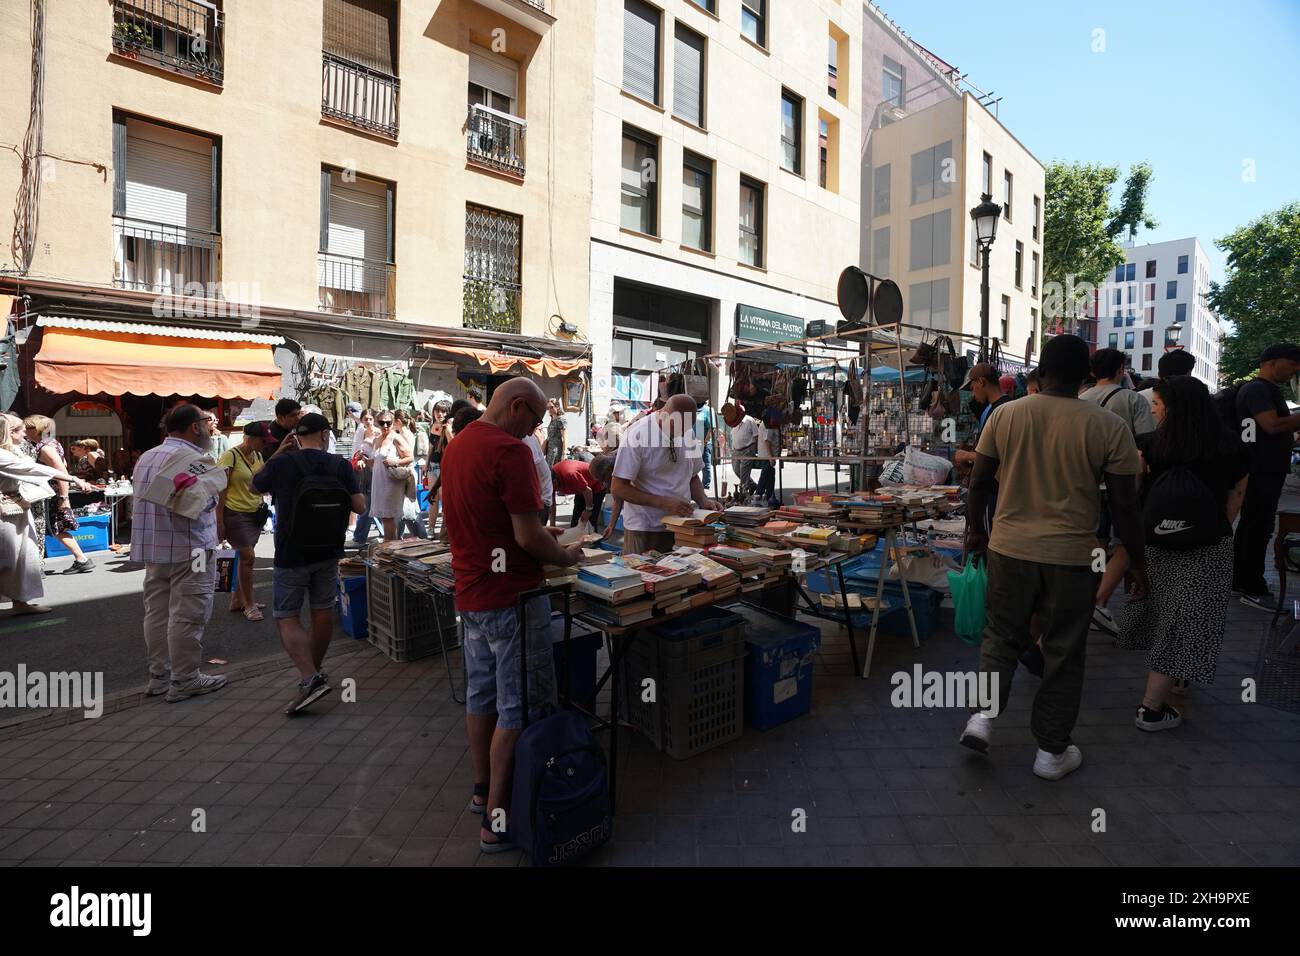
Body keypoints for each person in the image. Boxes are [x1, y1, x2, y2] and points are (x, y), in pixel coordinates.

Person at [960, 334, 1146, 780]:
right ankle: (1050, 753)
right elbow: (1124, 507)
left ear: (1039, 373)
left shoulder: (1005, 415)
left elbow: (980, 482)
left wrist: (975, 533)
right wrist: (1139, 563)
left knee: (1000, 636)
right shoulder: (1108, 427)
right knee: (1063, 650)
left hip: (1009, 548)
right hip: (1073, 557)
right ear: (1085, 376)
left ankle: (982, 719)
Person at [439, 378, 584, 853]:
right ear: (517, 406)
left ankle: (483, 791)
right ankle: (498, 820)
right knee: (516, 706)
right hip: (513, 596)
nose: (535, 432)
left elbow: (470, 521)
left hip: (473, 593)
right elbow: (526, 536)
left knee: (481, 696)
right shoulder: (510, 450)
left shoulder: (457, 445)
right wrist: (566, 556)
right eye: (535, 421)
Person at [1115, 376, 1249, 730]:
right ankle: (1152, 707)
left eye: (1158, 404)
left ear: (1174, 407)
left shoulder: (1152, 444)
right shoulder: (1231, 446)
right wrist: (1219, 527)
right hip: (1208, 545)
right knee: (1189, 616)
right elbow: (1237, 495)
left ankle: (1161, 696)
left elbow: (1135, 491)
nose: (1155, 409)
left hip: (1158, 541)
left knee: (1167, 614)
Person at [253, 413, 365, 714]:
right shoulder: (339, 465)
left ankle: (309, 677)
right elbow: (360, 506)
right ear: (325, 434)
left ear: (296, 437)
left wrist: (278, 453)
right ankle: (312, 673)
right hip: (329, 551)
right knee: (322, 611)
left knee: (287, 615)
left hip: (291, 552)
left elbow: (255, 486)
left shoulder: (282, 463)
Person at [130, 404, 230, 702]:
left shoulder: (148, 456)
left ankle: (159, 676)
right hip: (192, 550)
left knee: (157, 613)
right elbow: (198, 505)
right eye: (207, 422)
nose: (212, 427)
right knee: (189, 613)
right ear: (193, 427)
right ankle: (185, 679)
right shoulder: (193, 458)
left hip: (154, 550)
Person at [1, 416, 93, 615]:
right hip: (6, 513)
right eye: (20, 430)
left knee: (21, 557)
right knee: (9, 558)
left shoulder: (15, 450)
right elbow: (33, 469)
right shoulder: (3, 454)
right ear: (10, 433)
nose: (25, 433)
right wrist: (72, 480)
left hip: (17, 509)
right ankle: (19, 602)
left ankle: (20, 602)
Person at [1232, 343, 1300, 609]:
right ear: (1273, 361)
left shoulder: (1261, 390)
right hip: (1261, 470)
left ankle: (1242, 581)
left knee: (1253, 526)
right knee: (1258, 527)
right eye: (1293, 363)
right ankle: (1253, 587)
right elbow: (1271, 426)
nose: (1296, 369)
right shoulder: (1259, 389)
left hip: (1262, 468)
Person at [612, 394, 720, 555]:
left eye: (686, 428)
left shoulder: (687, 432)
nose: (682, 433)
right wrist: (663, 503)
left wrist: (703, 500)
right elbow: (618, 487)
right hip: (645, 529)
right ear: (663, 413)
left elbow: (692, 475)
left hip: (682, 526)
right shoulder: (637, 434)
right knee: (644, 576)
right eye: (677, 428)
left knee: (678, 577)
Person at [23, 415, 94, 573]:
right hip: (53, 492)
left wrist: (63, 497)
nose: (24, 431)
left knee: (53, 527)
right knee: (56, 527)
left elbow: (60, 470)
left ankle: (81, 559)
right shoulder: (52, 443)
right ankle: (81, 559)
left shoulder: (45, 447)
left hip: (52, 494)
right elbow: (65, 465)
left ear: (36, 429)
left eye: (27, 428)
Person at [216, 422, 267, 622]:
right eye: (262, 440)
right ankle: (249, 604)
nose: (264, 444)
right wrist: (219, 520)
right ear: (249, 438)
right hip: (234, 513)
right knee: (248, 557)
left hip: (254, 514)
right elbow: (221, 490)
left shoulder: (259, 456)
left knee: (246, 559)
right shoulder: (230, 456)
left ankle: (238, 600)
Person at [954, 363, 1011, 471]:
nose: (973, 395)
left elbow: (1002, 455)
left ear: (981, 382)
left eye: (972, 389)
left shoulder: (1004, 409)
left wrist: (966, 456)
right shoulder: (991, 408)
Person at [368, 411, 414, 543]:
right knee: (384, 516)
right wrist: (363, 460)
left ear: (393, 423)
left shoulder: (396, 438)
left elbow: (410, 457)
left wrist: (395, 462)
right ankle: (390, 548)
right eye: (382, 422)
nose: (385, 425)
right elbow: (374, 462)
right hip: (379, 481)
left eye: (388, 422)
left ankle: (390, 546)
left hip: (391, 483)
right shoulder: (377, 439)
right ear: (378, 423)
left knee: (388, 516)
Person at [393, 410, 428, 539]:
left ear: (397, 422)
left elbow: (409, 457)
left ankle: (421, 535)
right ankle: (398, 536)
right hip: (406, 472)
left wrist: (396, 462)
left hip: (406, 473)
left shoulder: (405, 434)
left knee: (409, 508)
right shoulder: (404, 433)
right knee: (404, 508)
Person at [350, 408, 381, 547]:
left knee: (369, 502)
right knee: (368, 502)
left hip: (375, 469)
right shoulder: (360, 431)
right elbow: (356, 449)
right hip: (362, 470)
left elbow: (378, 452)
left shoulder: (378, 432)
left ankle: (360, 537)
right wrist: (359, 458)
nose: (368, 421)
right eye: (365, 419)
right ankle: (381, 533)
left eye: (370, 419)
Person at [554, 455, 612, 529]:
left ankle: (593, 538)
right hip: (582, 488)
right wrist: (553, 527)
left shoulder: (570, 474)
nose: (555, 490)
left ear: (555, 481)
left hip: (596, 487)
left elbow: (588, 491)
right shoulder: (549, 481)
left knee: (590, 521)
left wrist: (588, 510)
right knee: (576, 521)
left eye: (555, 488)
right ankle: (577, 538)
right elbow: (552, 505)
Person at [722, 402, 760, 493]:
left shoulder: (750, 420)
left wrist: (754, 450)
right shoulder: (733, 422)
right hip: (736, 450)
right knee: (736, 470)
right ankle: (752, 485)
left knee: (744, 473)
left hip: (747, 449)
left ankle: (743, 493)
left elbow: (756, 436)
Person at [524, 423, 554, 525]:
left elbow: (535, 466)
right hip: (538, 499)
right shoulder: (525, 434)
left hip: (540, 499)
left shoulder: (525, 435)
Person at [544, 398, 566, 467]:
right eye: (548, 408)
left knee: (553, 470)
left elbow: (565, 438)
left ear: (557, 406)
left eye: (551, 407)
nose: (549, 410)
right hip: (549, 449)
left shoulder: (561, 420)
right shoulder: (552, 420)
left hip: (556, 450)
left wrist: (564, 453)